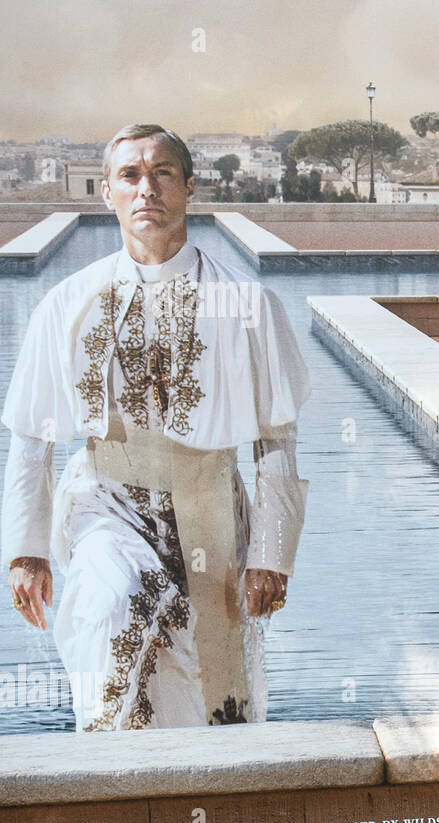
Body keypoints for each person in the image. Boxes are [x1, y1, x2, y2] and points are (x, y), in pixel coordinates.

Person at [2, 123, 311, 730]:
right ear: (107, 195)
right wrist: (28, 552)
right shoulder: (68, 304)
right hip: (107, 505)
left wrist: (272, 554)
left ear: (190, 187)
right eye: (130, 176)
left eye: (163, 173)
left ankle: (195, 819)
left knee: (212, 694)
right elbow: (31, 440)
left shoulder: (248, 304)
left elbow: (276, 444)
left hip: (213, 509)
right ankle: (109, 799)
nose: (147, 188)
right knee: (115, 610)